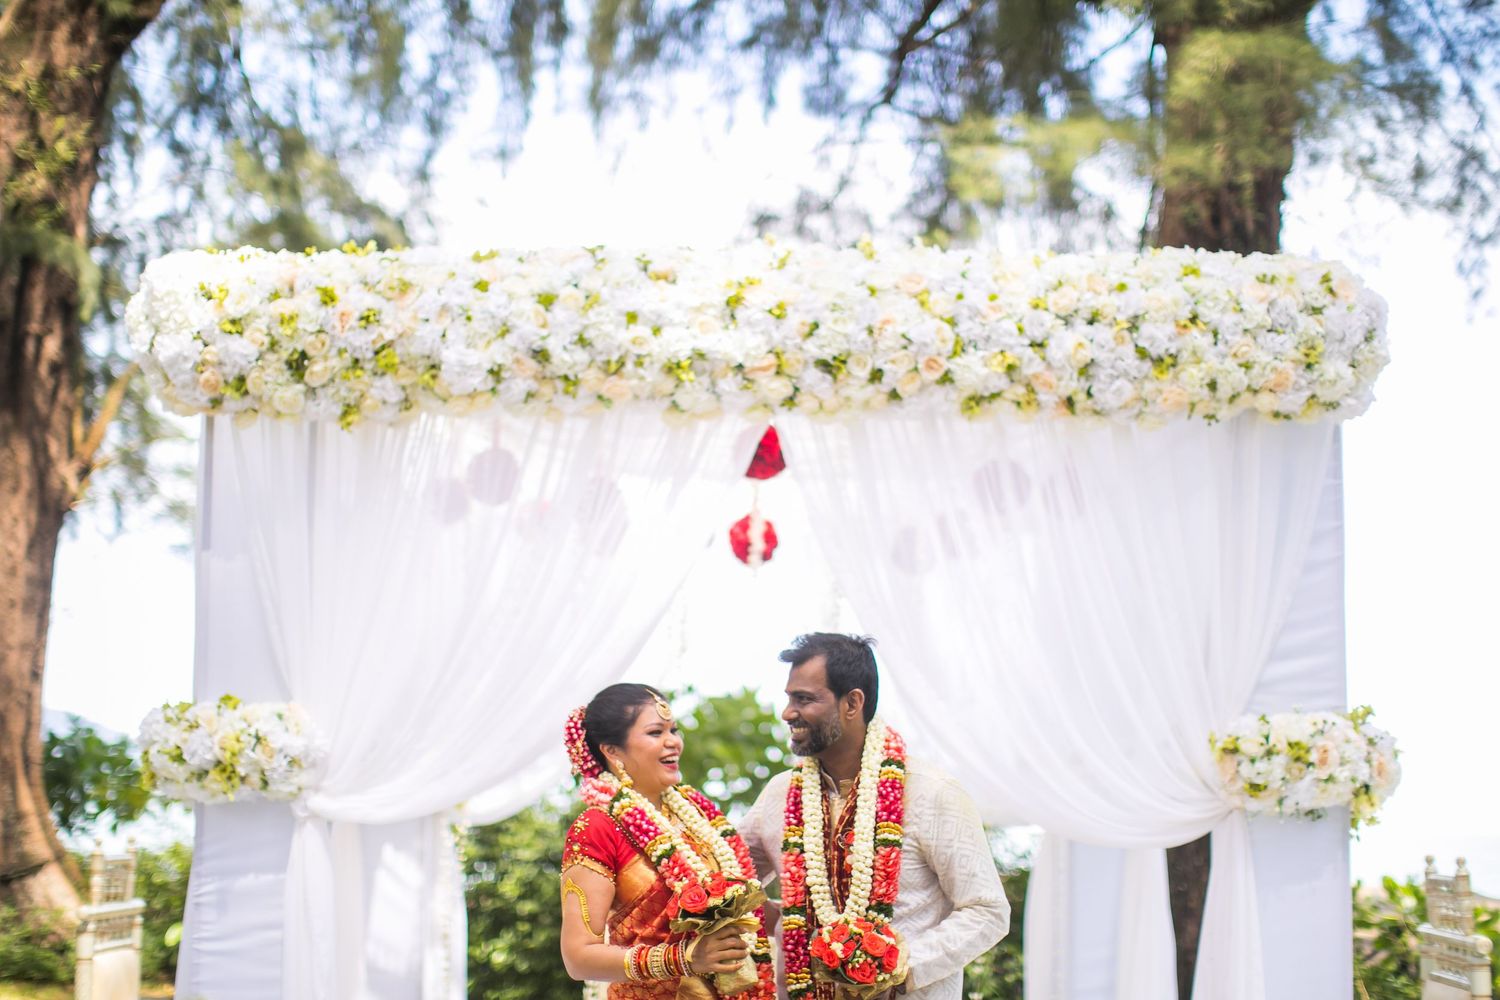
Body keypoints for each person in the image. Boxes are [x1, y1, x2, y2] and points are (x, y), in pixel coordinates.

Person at [739, 634, 1010, 999]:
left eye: (804, 699)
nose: (788, 712)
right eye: (789, 698)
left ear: (852, 703)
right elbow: (730, 879)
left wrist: (898, 967)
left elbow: (987, 910)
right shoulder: (780, 793)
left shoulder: (932, 792)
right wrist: (781, 921)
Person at [560, 683, 778, 999]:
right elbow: (578, 958)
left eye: (673, 730)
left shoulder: (698, 814)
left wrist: (810, 922)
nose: (673, 742)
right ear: (612, 750)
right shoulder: (598, 826)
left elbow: (745, 914)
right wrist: (686, 957)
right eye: (655, 732)